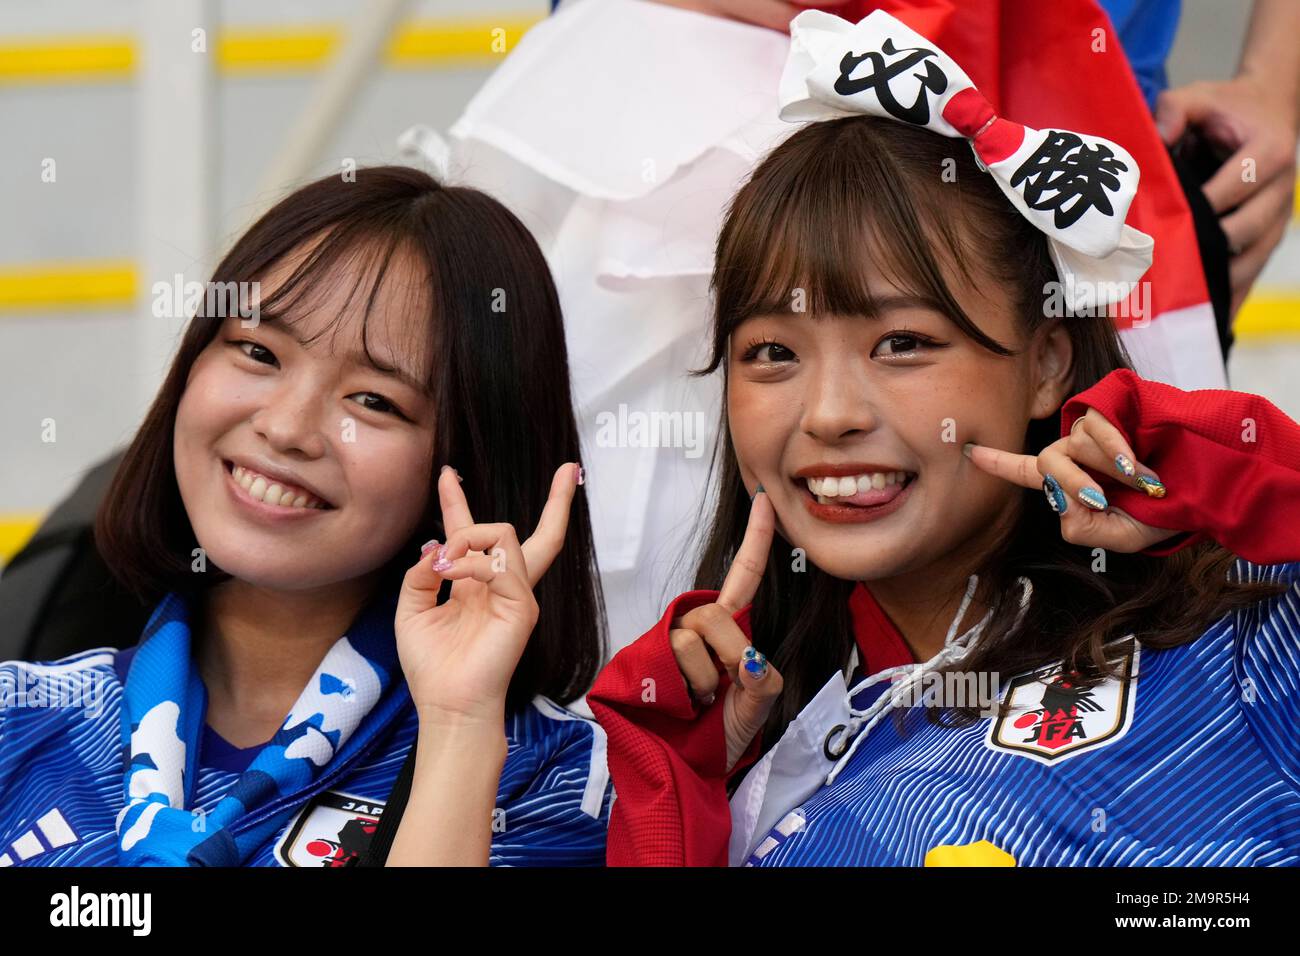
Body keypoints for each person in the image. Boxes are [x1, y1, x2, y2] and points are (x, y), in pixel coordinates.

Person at [587, 10, 1300, 866]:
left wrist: (1258, 486)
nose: (829, 415)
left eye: (902, 344)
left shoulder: (1240, 632)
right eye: (771, 353)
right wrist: (676, 803)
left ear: (1046, 363)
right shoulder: (746, 770)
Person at [0, 166, 610, 867]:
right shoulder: (17, 723)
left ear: (470, 462)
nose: (288, 428)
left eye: (375, 401)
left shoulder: (552, 777)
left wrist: (459, 726)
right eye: (259, 353)